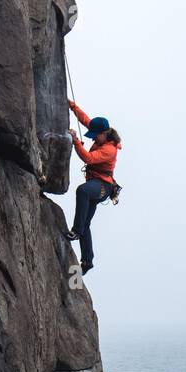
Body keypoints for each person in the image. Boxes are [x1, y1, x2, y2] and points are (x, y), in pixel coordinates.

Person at [68, 100, 122, 275]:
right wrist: (71, 105)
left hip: (103, 187)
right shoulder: (101, 133)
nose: (92, 138)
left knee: (82, 191)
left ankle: (75, 231)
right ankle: (87, 261)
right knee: (87, 223)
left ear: (105, 134)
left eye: (95, 135)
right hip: (96, 183)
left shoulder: (109, 150)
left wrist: (76, 141)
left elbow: (89, 159)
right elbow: (85, 119)